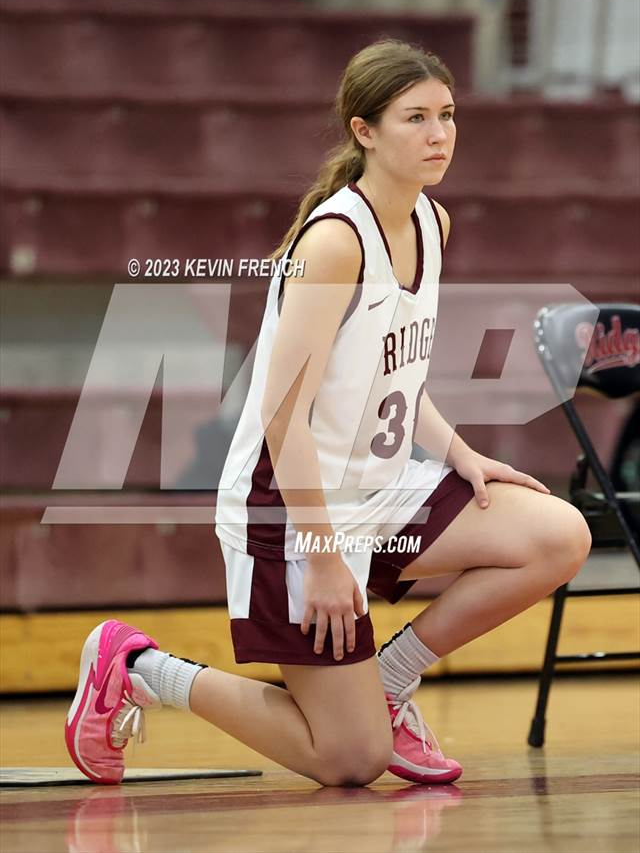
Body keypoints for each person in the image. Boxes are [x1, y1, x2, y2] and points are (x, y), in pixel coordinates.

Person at [65, 39, 592, 788]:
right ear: (364, 131)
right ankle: (135, 663)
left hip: (377, 488)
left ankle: (389, 678)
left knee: (557, 533)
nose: (439, 133)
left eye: (446, 114)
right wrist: (320, 554)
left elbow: (392, 370)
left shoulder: (431, 225)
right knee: (352, 759)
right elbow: (284, 415)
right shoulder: (336, 242)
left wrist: (457, 450)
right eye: (415, 118)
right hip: (289, 505)